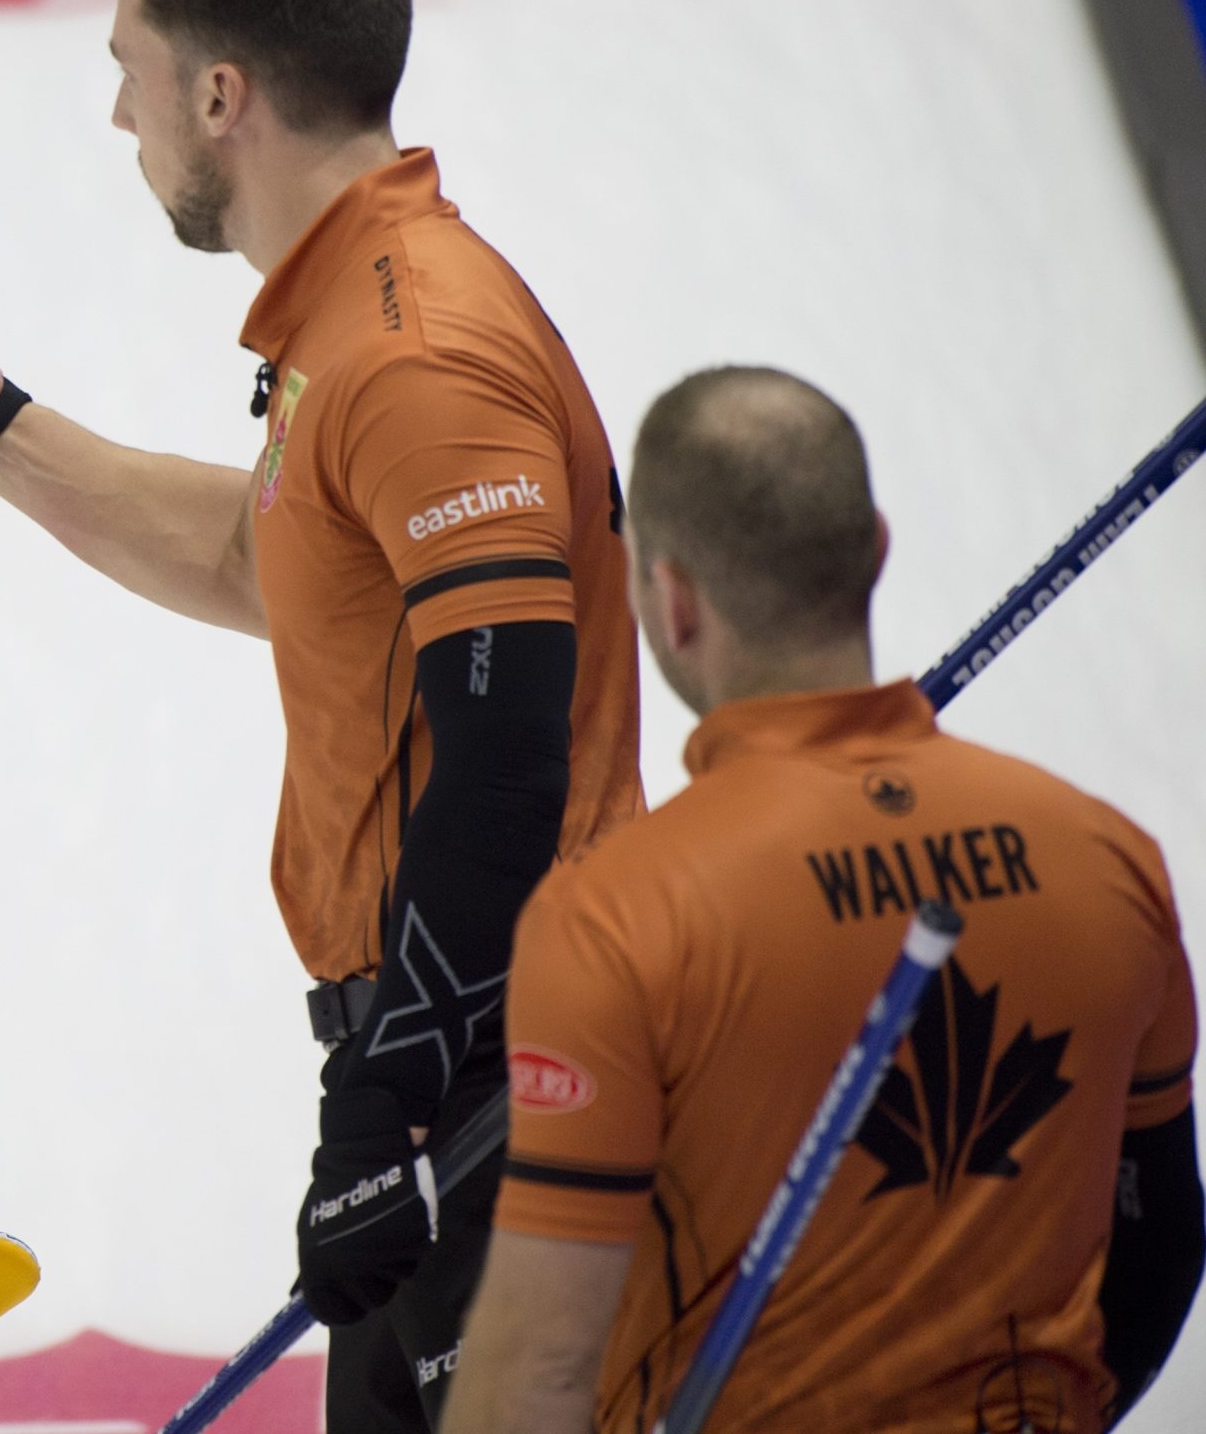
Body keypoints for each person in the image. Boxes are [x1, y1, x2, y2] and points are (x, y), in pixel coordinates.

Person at [0, 0, 646, 1427]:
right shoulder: (354, 323)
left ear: (222, 93)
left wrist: (388, 1104)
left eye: (131, 68)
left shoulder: (416, 354)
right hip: (460, 1055)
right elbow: (271, 565)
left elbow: (507, 756)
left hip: (505, 1075)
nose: (122, 117)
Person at [444, 367, 1205, 1434]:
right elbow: (1161, 1242)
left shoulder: (616, 918)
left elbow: (533, 1376)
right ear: (876, 548)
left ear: (671, 598)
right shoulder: (1110, 860)